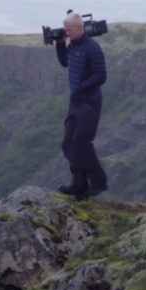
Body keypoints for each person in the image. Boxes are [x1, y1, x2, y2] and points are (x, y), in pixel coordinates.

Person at [55, 11, 108, 198]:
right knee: (68, 143)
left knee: (81, 142)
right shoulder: (74, 46)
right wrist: (60, 43)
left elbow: (101, 76)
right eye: (64, 30)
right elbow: (64, 62)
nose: (66, 33)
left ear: (79, 28)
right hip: (75, 102)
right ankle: (78, 184)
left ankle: (98, 182)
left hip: (90, 103)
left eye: (68, 30)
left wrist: (82, 87)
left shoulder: (92, 48)